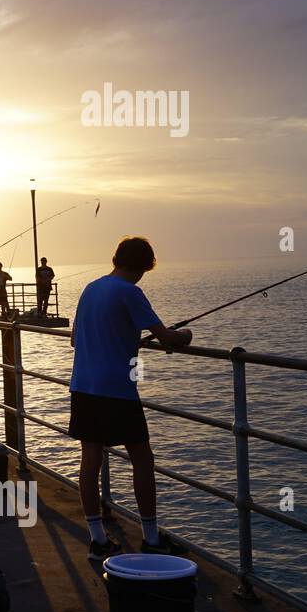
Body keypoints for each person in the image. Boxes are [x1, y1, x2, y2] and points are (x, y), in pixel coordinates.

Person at [70, 236, 191, 560]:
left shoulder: (91, 288)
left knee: (90, 460)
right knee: (142, 459)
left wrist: (125, 340)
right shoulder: (130, 292)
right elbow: (168, 337)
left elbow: (75, 340)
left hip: (83, 385)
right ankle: (151, 537)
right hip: (116, 390)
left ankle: (97, 539)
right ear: (143, 265)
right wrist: (185, 335)